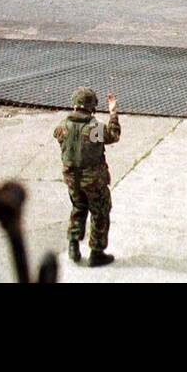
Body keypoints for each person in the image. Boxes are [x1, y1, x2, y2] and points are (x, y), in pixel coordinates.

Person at [54, 87, 121, 266]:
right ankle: (96, 253)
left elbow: (58, 136)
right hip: (93, 181)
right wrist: (113, 113)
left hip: (72, 180)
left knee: (78, 208)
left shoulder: (63, 125)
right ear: (92, 107)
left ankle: (73, 246)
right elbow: (114, 135)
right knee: (100, 213)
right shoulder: (93, 128)